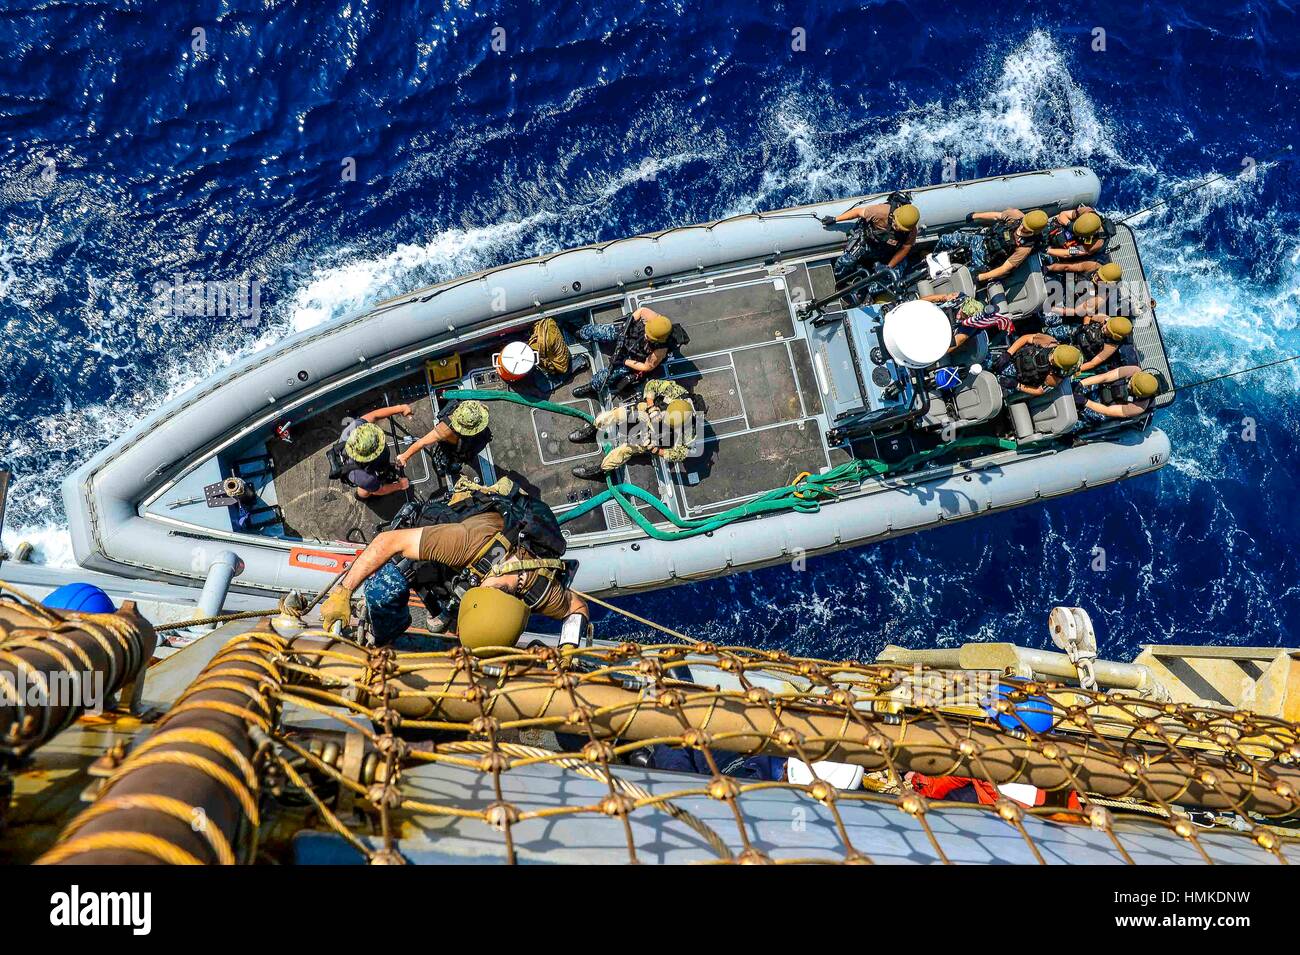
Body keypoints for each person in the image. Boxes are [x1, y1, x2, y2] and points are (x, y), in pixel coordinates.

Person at [320, 476, 589, 647]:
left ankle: (440, 615)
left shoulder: (539, 589)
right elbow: (387, 542)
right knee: (383, 587)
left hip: (468, 572)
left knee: (442, 614)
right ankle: (390, 628)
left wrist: (567, 649)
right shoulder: (464, 543)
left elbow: (576, 607)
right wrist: (343, 591)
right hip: (456, 541)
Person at [568, 378, 699, 479]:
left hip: (658, 435)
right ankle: (593, 429)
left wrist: (655, 450)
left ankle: (599, 470)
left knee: (623, 451)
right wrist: (651, 406)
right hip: (650, 412)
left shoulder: (690, 431)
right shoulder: (677, 392)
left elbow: (679, 454)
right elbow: (652, 385)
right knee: (611, 415)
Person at [573, 306, 673, 399]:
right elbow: (641, 311)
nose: (646, 336)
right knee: (601, 331)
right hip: (627, 336)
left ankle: (593, 386)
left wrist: (624, 361)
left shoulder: (660, 351)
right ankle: (581, 333)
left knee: (610, 374)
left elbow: (646, 367)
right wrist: (624, 331)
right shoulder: (653, 318)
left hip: (633, 357)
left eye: (650, 336)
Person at [934, 208, 1049, 285]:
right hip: (981, 240)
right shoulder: (1016, 216)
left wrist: (980, 277)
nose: (1022, 227)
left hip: (986, 260)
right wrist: (975, 216)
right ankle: (932, 256)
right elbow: (996, 216)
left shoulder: (1025, 248)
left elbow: (1005, 268)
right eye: (1023, 224)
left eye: (1026, 227)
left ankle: (936, 281)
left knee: (960, 277)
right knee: (946, 239)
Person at [822, 196, 920, 285]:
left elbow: (905, 248)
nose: (898, 229)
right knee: (846, 261)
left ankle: (869, 287)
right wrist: (836, 219)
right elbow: (858, 212)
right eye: (897, 225)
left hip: (885, 249)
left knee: (889, 276)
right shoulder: (880, 212)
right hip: (866, 240)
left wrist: (888, 267)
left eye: (901, 228)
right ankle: (840, 279)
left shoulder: (911, 231)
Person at [396, 399, 490, 482]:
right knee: (463, 456)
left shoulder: (446, 428)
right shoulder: (478, 412)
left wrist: (404, 457)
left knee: (452, 463)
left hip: (469, 446)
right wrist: (405, 456)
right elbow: (422, 442)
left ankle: (452, 466)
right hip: (477, 441)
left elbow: (422, 442)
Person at [332, 405, 413, 499]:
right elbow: (379, 490)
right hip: (365, 474)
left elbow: (374, 415)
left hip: (374, 463)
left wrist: (401, 408)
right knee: (365, 491)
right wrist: (400, 486)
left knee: (380, 471)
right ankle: (360, 497)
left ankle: (384, 468)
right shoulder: (363, 477)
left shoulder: (355, 428)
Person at [992, 335, 1081, 396]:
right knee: (985, 359)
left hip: (1016, 379)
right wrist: (1008, 353)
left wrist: (1017, 385)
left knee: (992, 389)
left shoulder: (1056, 377)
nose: (1051, 358)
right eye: (1054, 354)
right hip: (1012, 358)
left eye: (1054, 360)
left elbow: (1040, 391)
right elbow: (1026, 338)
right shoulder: (1049, 341)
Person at [1043, 314, 1133, 373]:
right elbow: (1089, 315)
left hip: (1081, 353)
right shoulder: (1106, 320)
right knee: (1049, 333)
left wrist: (1076, 370)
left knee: (1060, 366)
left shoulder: (1111, 345)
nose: (1105, 327)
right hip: (1075, 334)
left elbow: (1093, 363)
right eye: (1106, 325)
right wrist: (1086, 325)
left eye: (1108, 330)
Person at [1073, 365, 1161, 425]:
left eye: (1131, 384)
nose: (1130, 381)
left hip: (1103, 407)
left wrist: (1085, 401)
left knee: (1077, 421)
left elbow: (1107, 411)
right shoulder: (1135, 371)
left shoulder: (1139, 407)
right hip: (1100, 388)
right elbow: (1104, 377)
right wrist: (1081, 384)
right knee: (1074, 387)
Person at [1048, 261, 1126, 317]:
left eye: (1100, 279)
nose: (1096, 277)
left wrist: (1052, 309)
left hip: (1068, 303)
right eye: (1098, 274)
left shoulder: (1100, 297)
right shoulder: (1093, 266)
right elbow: (1068, 267)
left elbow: (1075, 311)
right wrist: (1048, 268)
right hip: (1064, 282)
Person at [1042, 207, 1107, 271]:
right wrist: (1069, 224)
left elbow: (1068, 253)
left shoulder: (1095, 244)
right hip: (1071, 229)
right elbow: (1062, 215)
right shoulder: (1086, 211)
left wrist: (1047, 251)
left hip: (1082, 247)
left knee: (1070, 263)